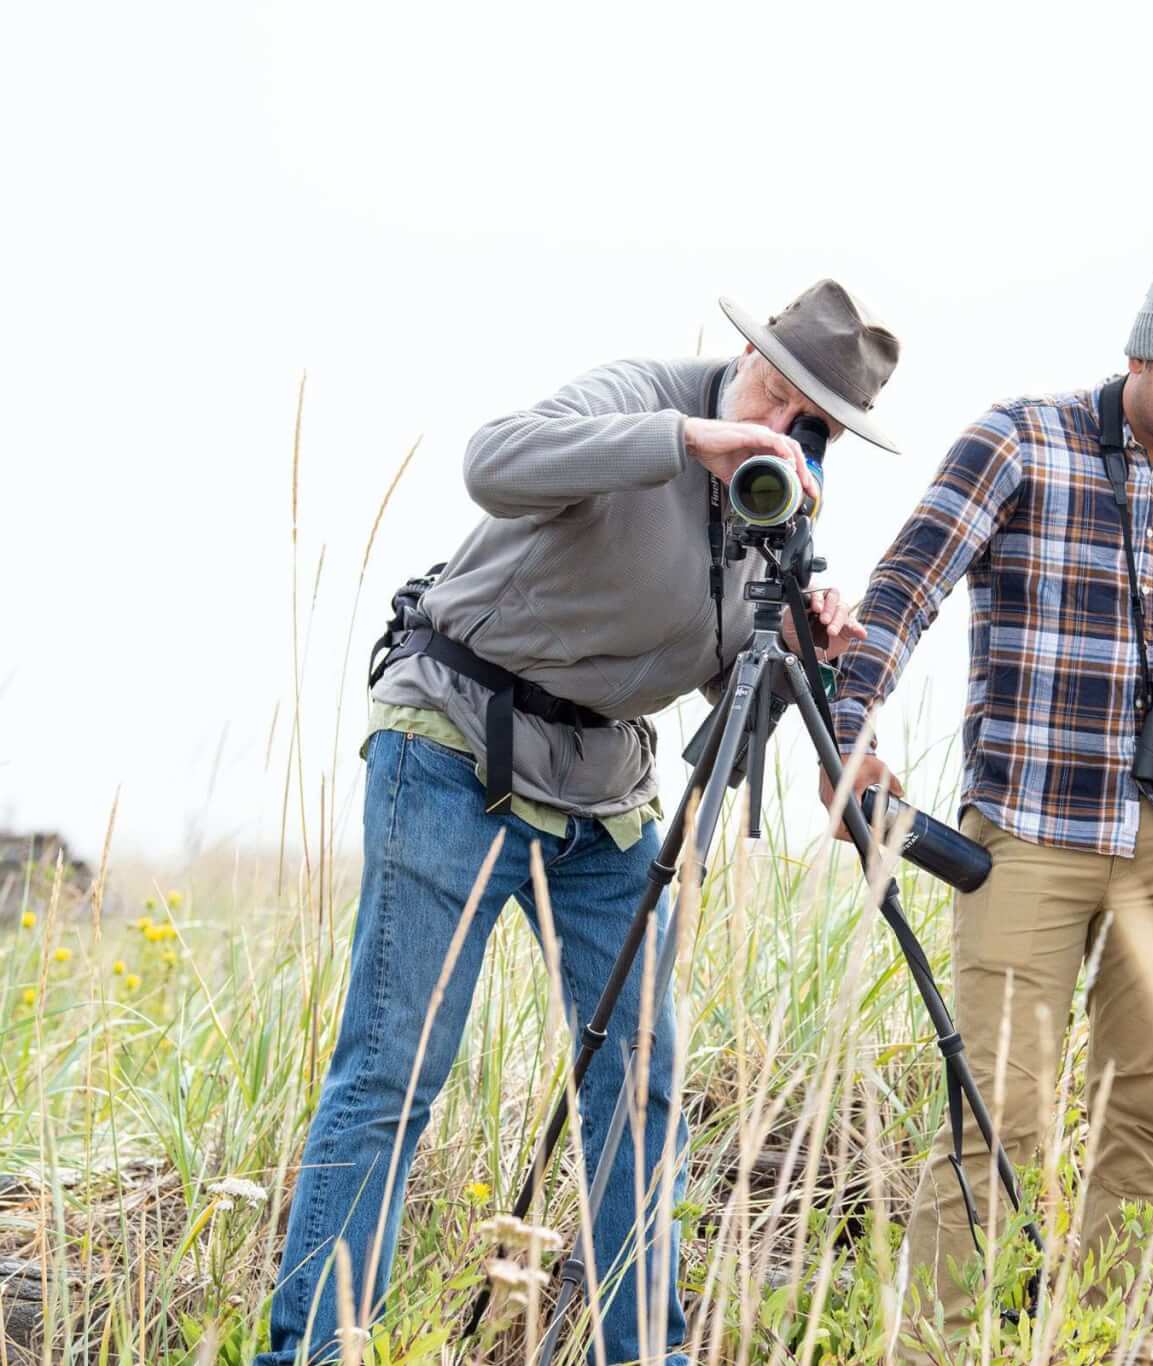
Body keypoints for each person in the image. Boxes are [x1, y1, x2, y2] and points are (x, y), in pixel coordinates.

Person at [255, 280, 898, 1365]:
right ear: (747, 365)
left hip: (603, 792)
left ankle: (644, 1348)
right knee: (395, 1069)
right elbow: (492, 461)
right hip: (458, 745)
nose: (787, 432)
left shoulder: (770, 510)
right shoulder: (644, 400)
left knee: (640, 1078)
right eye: (779, 400)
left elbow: (715, 686)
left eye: (817, 425)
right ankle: (312, 1350)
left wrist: (797, 634)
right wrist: (682, 440)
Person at [829, 241, 1153, 1359]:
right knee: (998, 1115)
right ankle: (940, 1346)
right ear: (1138, 355)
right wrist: (849, 732)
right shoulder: (1018, 437)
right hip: (1028, 829)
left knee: (1144, 1113)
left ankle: (1096, 1342)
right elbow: (904, 589)